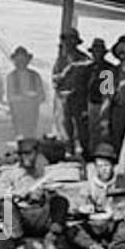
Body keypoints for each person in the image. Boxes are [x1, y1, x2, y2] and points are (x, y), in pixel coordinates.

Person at [0, 136, 69, 249]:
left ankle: (50, 241)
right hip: (22, 219)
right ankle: (19, 245)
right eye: (23, 154)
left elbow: (53, 191)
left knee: (61, 202)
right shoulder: (11, 173)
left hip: (41, 216)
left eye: (30, 154)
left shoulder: (42, 170)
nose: (26, 158)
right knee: (6, 205)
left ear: (36, 154)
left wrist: (46, 193)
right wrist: (18, 193)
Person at [66, 141, 118, 249]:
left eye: (106, 165)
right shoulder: (90, 183)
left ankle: (114, 247)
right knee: (72, 230)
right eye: (99, 166)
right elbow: (78, 203)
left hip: (113, 223)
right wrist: (82, 208)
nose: (103, 169)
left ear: (113, 166)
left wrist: (114, 212)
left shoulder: (119, 182)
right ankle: (94, 247)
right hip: (94, 223)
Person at [52, 28, 92, 157]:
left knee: (81, 129)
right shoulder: (60, 61)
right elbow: (55, 81)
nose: (68, 43)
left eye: (71, 40)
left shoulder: (85, 59)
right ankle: (68, 152)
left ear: (76, 42)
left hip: (80, 100)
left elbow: (92, 80)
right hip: (63, 100)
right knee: (64, 126)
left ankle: (83, 155)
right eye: (66, 40)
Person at [6, 45, 45, 140]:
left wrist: (34, 97)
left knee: (30, 133)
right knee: (19, 134)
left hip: (32, 111)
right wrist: (20, 99)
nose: (20, 62)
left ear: (27, 61)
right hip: (17, 111)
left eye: (23, 60)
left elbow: (42, 95)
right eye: (18, 60)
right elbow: (9, 96)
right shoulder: (11, 76)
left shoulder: (35, 76)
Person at [84, 38, 115, 157]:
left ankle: (99, 154)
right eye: (95, 51)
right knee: (90, 132)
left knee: (102, 131)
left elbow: (107, 92)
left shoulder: (107, 69)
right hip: (89, 103)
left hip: (101, 104)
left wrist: (104, 110)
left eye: (99, 51)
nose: (96, 54)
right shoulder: (88, 68)